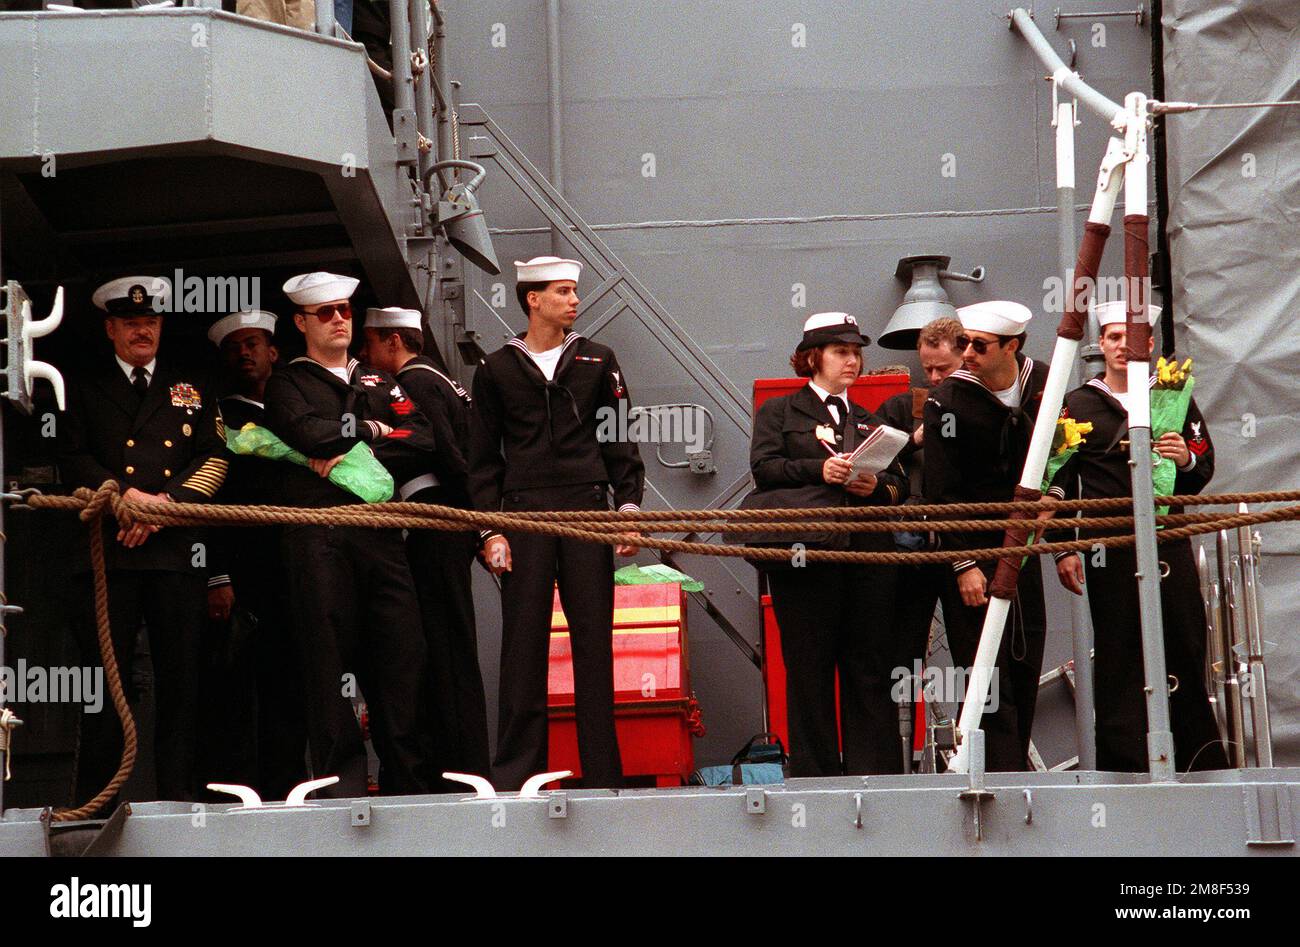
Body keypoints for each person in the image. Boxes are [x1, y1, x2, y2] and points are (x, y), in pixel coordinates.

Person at [468, 256, 645, 791]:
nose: (574, 300)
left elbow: (618, 439)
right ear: (533, 299)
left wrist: (629, 512)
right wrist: (489, 530)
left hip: (589, 511)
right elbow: (482, 459)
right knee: (522, 645)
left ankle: (602, 775)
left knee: (594, 641)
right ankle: (520, 776)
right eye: (563, 291)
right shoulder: (496, 368)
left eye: (574, 291)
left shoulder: (598, 359)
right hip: (523, 515)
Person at [262, 271, 436, 797]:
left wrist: (349, 445)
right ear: (301, 322)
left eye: (344, 311)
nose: (339, 319)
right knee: (328, 658)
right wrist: (370, 429)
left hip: (381, 539)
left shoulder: (380, 381)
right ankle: (343, 785)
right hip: (320, 538)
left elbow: (423, 438)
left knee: (401, 655)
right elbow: (301, 430)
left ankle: (409, 782)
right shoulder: (288, 383)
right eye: (325, 313)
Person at [57, 275, 228, 802]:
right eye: (132, 324)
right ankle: (95, 802)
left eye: (150, 322)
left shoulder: (192, 386)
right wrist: (125, 499)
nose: (143, 332)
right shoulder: (81, 387)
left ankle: (182, 801)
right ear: (111, 329)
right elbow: (71, 459)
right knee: (106, 687)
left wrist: (165, 507)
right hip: (108, 554)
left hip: (175, 553)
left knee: (183, 683)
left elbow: (215, 457)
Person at [1049, 301, 1227, 771]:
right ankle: (1123, 764)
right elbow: (1059, 478)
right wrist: (1064, 546)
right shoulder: (1079, 403)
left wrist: (1184, 459)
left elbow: (1203, 467)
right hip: (1109, 548)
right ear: (1100, 346)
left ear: (1150, 343)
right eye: (1112, 337)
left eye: (1133, 336)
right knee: (1117, 650)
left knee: (1184, 644)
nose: (1123, 346)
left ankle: (1199, 761)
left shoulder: (1174, 395)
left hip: (1169, 540)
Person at [749, 312, 910, 777]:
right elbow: (764, 468)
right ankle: (816, 779)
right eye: (842, 352)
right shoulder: (778, 413)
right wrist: (816, 471)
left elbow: (898, 485)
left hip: (866, 559)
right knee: (809, 670)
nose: (853, 361)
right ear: (813, 357)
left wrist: (873, 488)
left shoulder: (869, 421)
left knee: (868, 668)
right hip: (806, 557)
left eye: (857, 353)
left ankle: (873, 775)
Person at [360, 306, 491, 788]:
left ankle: (458, 770)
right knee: (448, 643)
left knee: (444, 649)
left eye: (371, 344)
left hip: (436, 522)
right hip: (448, 522)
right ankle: (464, 765)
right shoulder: (444, 378)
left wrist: (481, 525)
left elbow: (452, 458)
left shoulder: (414, 384)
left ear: (393, 343)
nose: (365, 355)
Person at [922, 300, 1048, 772]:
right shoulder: (949, 400)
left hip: (1025, 546)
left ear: (1011, 346)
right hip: (973, 551)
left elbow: (1064, 451)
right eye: (963, 343)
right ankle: (992, 771)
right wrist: (964, 564)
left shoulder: (1044, 384)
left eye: (978, 345)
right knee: (984, 670)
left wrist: (1054, 496)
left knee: (1025, 654)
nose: (967, 353)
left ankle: (1015, 764)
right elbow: (940, 491)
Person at [202, 309, 308, 800]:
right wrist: (217, 574)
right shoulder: (220, 415)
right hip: (246, 565)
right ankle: (241, 790)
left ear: (274, 351)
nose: (244, 353)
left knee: (295, 676)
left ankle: (290, 785)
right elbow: (211, 499)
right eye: (234, 347)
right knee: (242, 684)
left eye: (252, 344)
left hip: (299, 561)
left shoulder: (299, 409)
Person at [875, 316, 965, 758]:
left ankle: (973, 750)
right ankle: (899, 756)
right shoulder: (899, 409)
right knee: (901, 656)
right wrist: (914, 440)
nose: (933, 379)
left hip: (963, 547)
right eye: (927, 370)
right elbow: (873, 467)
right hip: (908, 551)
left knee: (973, 653)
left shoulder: (979, 407)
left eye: (942, 370)